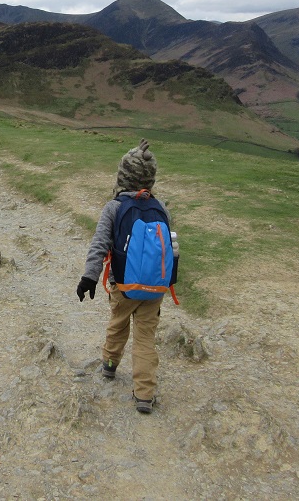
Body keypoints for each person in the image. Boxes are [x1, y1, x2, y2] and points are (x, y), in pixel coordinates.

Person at [76, 139, 177, 415]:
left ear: (123, 175)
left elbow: (99, 245)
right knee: (146, 338)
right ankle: (144, 395)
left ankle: (109, 365)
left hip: (123, 286)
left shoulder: (114, 207)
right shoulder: (161, 207)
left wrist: (89, 278)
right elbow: (170, 247)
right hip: (155, 290)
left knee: (118, 325)